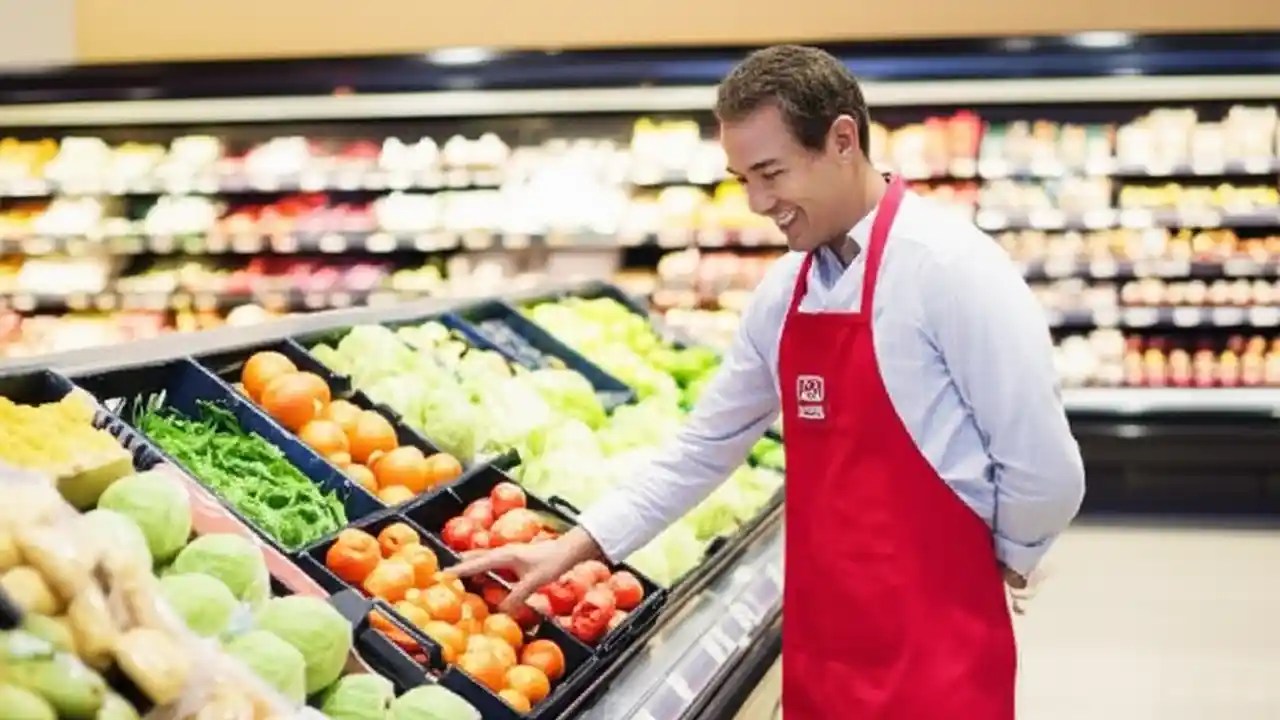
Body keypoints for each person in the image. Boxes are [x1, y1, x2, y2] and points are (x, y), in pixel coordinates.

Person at [454, 44, 1086, 718]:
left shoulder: (951, 268)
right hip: (821, 646)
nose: (758, 202)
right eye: (742, 178)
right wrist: (574, 546)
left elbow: (1045, 468)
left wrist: (1006, 560)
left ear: (843, 139)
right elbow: (705, 446)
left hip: (934, 653)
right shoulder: (789, 289)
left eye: (770, 172)